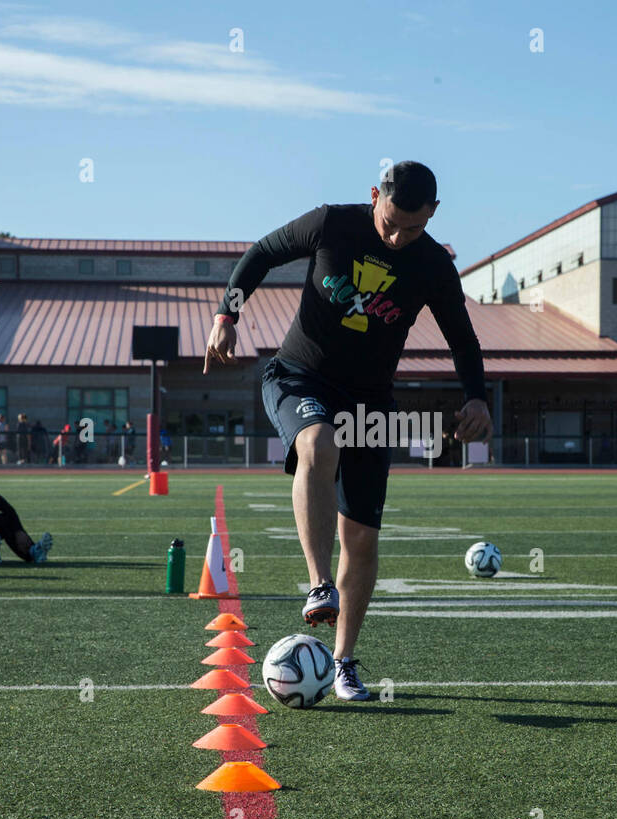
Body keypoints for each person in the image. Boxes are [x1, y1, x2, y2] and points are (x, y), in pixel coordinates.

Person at [204, 160, 492, 701]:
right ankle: (318, 583)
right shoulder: (331, 224)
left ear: (433, 213)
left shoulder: (432, 264)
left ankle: (343, 661)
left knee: (360, 538)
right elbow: (260, 254)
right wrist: (227, 314)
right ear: (374, 197)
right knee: (317, 440)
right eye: (390, 221)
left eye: (413, 226)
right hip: (297, 376)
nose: (397, 235)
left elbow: (462, 338)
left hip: (370, 405)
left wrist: (477, 396)